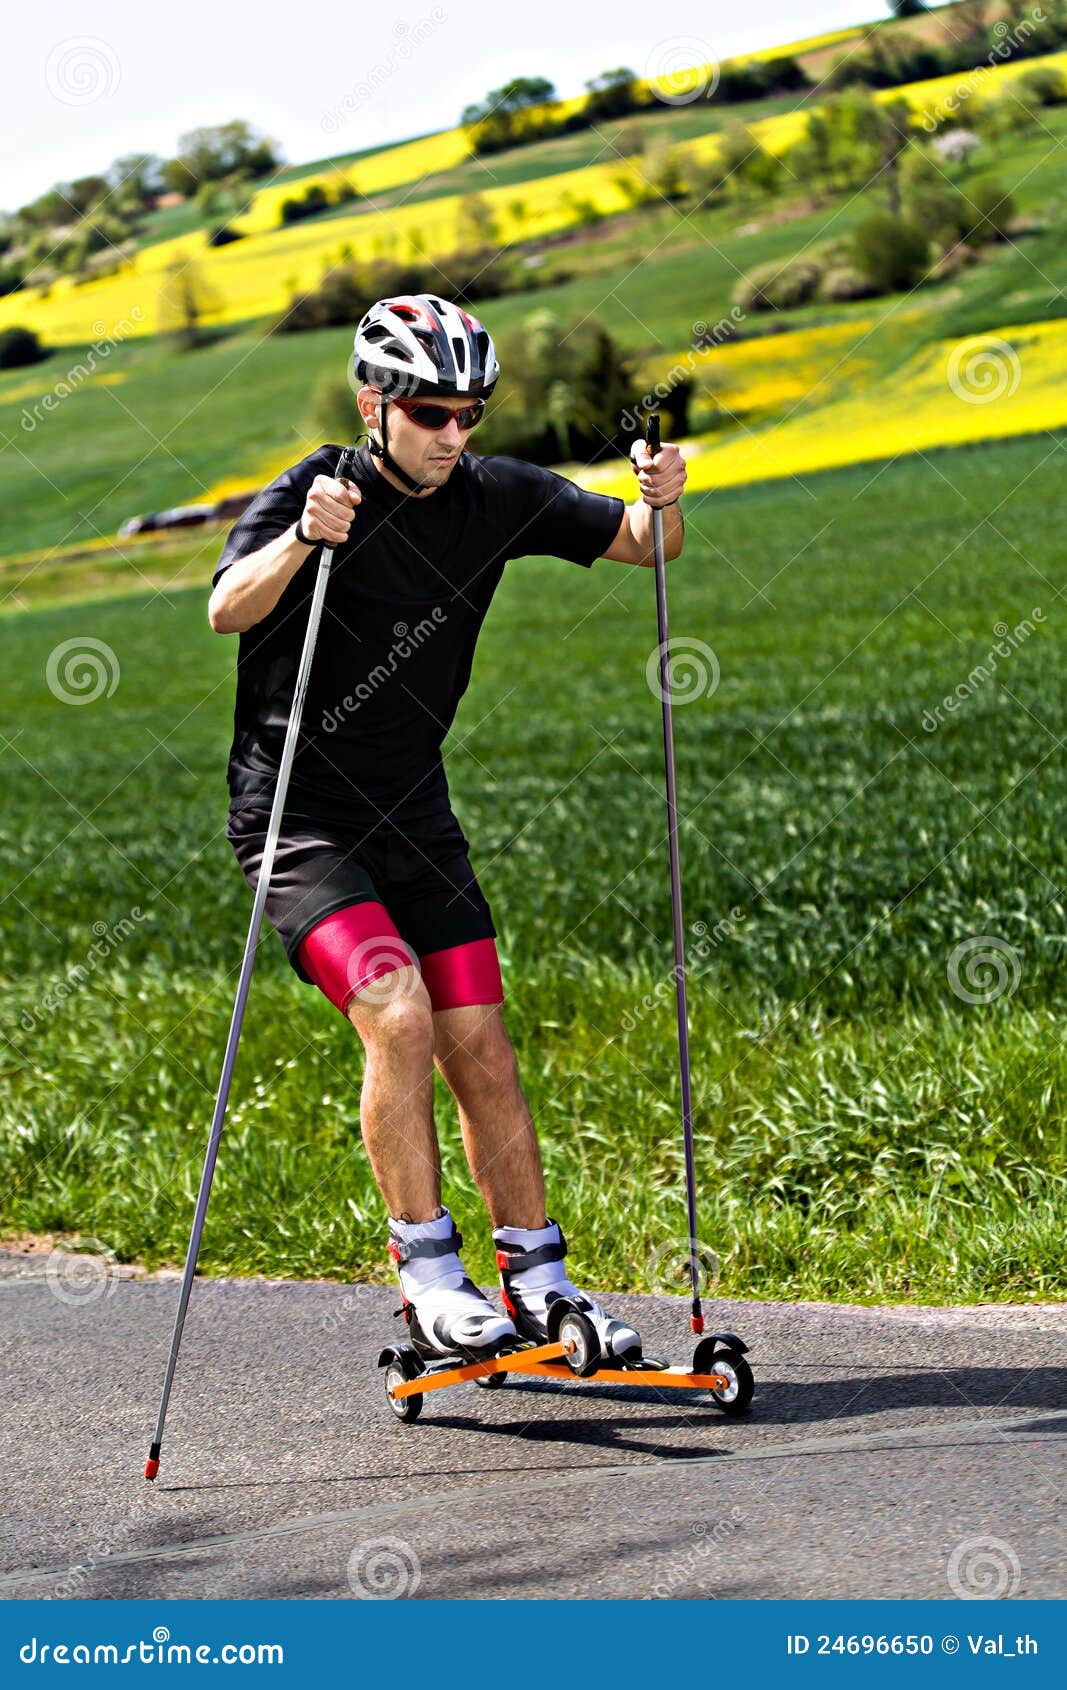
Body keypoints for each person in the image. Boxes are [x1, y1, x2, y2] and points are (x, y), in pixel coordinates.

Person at [208, 293, 686, 1365]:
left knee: (480, 1040)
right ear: (373, 403)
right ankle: (428, 1275)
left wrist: (664, 499)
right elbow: (227, 606)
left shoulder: (493, 493)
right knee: (399, 1012)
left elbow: (642, 544)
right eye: (431, 412)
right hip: (298, 820)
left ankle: (539, 1278)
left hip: (415, 813)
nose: (452, 434)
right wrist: (302, 539)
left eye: (470, 413)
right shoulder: (317, 489)